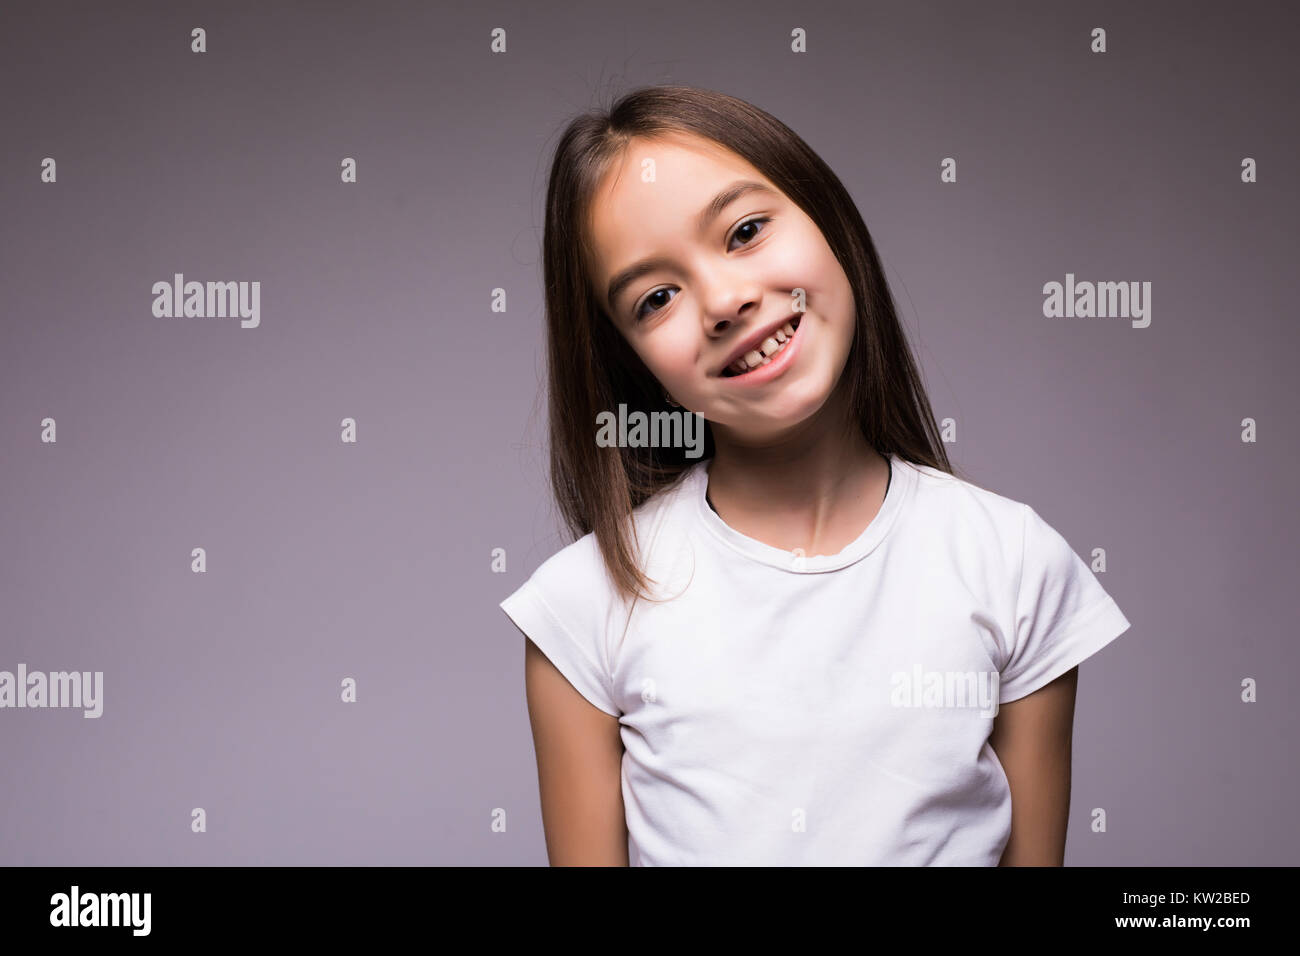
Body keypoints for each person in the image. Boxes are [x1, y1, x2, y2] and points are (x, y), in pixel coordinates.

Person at [500, 84, 1131, 866]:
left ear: (830, 223)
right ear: (631, 362)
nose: (725, 300)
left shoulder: (1013, 563)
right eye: (657, 297)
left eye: (746, 231)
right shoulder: (581, 606)